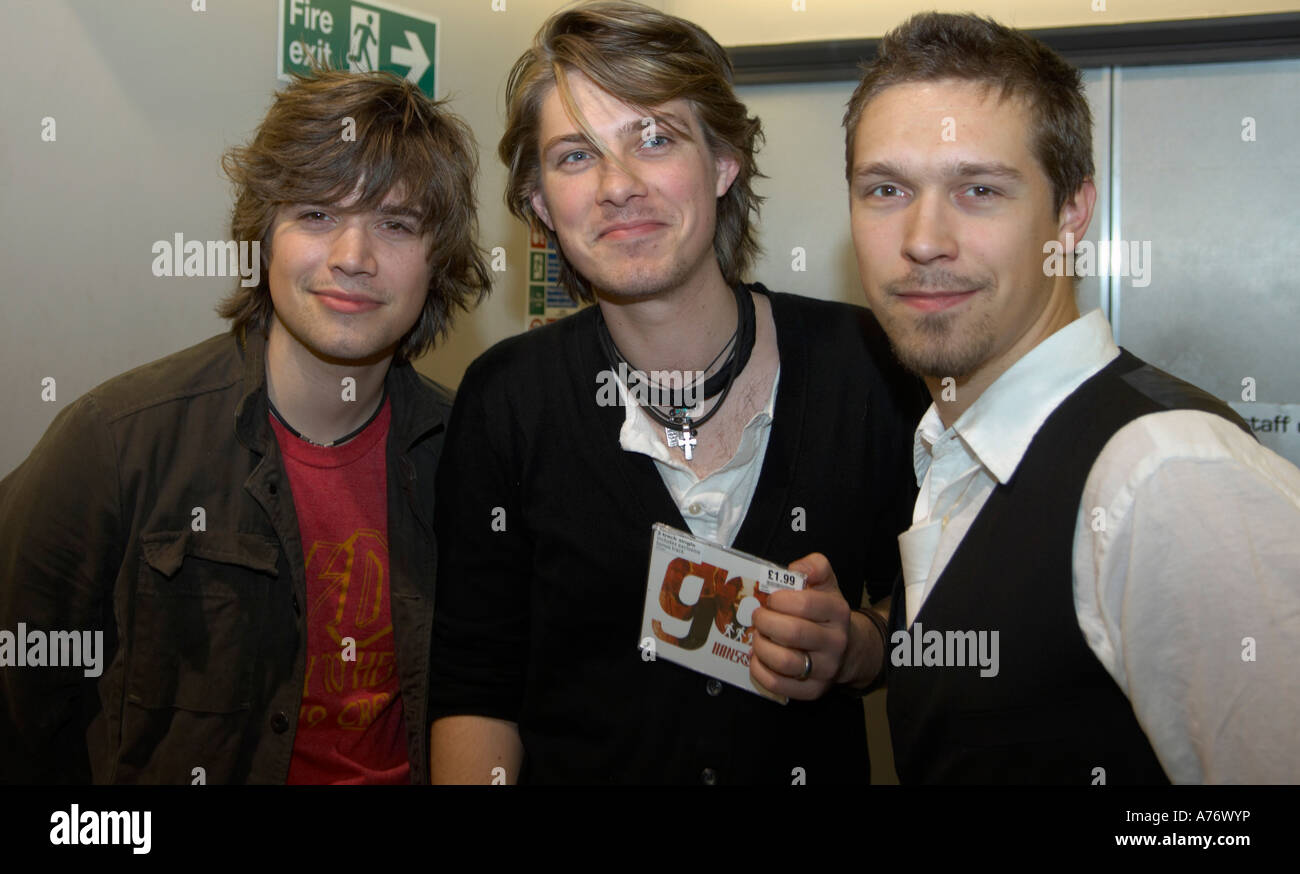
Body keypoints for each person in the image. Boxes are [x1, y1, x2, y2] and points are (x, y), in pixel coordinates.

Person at [428, 0, 923, 785]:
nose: (618, 187)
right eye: (574, 156)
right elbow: (475, 686)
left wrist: (856, 648)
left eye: (654, 138)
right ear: (537, 206)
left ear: (723, 162)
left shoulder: (863, 366)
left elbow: (943, 622)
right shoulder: (507, 399)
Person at [842, 12, 1300, 783]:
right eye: (885, 189)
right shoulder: (953, 449)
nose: (923, 239)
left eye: (979, 189)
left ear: (1071, 214)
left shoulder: (1162, 473)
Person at [0, 69, 491, 783]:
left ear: (436, 263)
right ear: (263, 237)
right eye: (317, 214)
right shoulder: (115, 443)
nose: (353, 258)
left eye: (395, 223)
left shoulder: (474, 460)